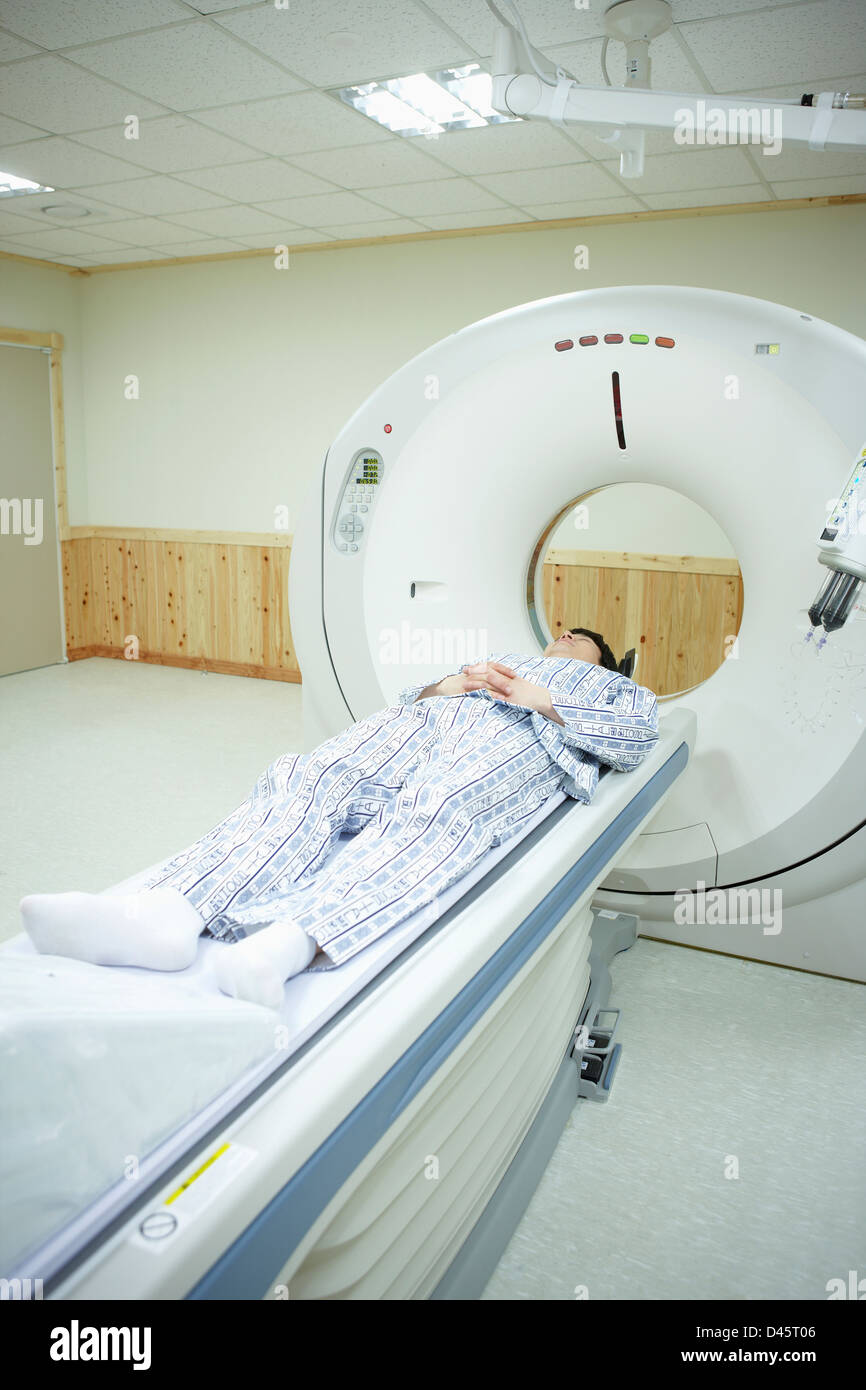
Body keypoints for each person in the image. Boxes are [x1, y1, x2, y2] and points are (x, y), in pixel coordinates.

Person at [19, 627, 658, 1009]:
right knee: (311, 776)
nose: (566, 636)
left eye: (581, 638)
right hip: (427, 723)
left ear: (599, 660)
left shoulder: (609, 688)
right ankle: (172, 912)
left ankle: (285, 945)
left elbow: (632, 738)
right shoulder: (498, 659)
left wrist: (532, 694)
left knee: (435, 810)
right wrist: (454, 686)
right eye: (561, 631)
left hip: (520, 739)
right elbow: (413, 695)